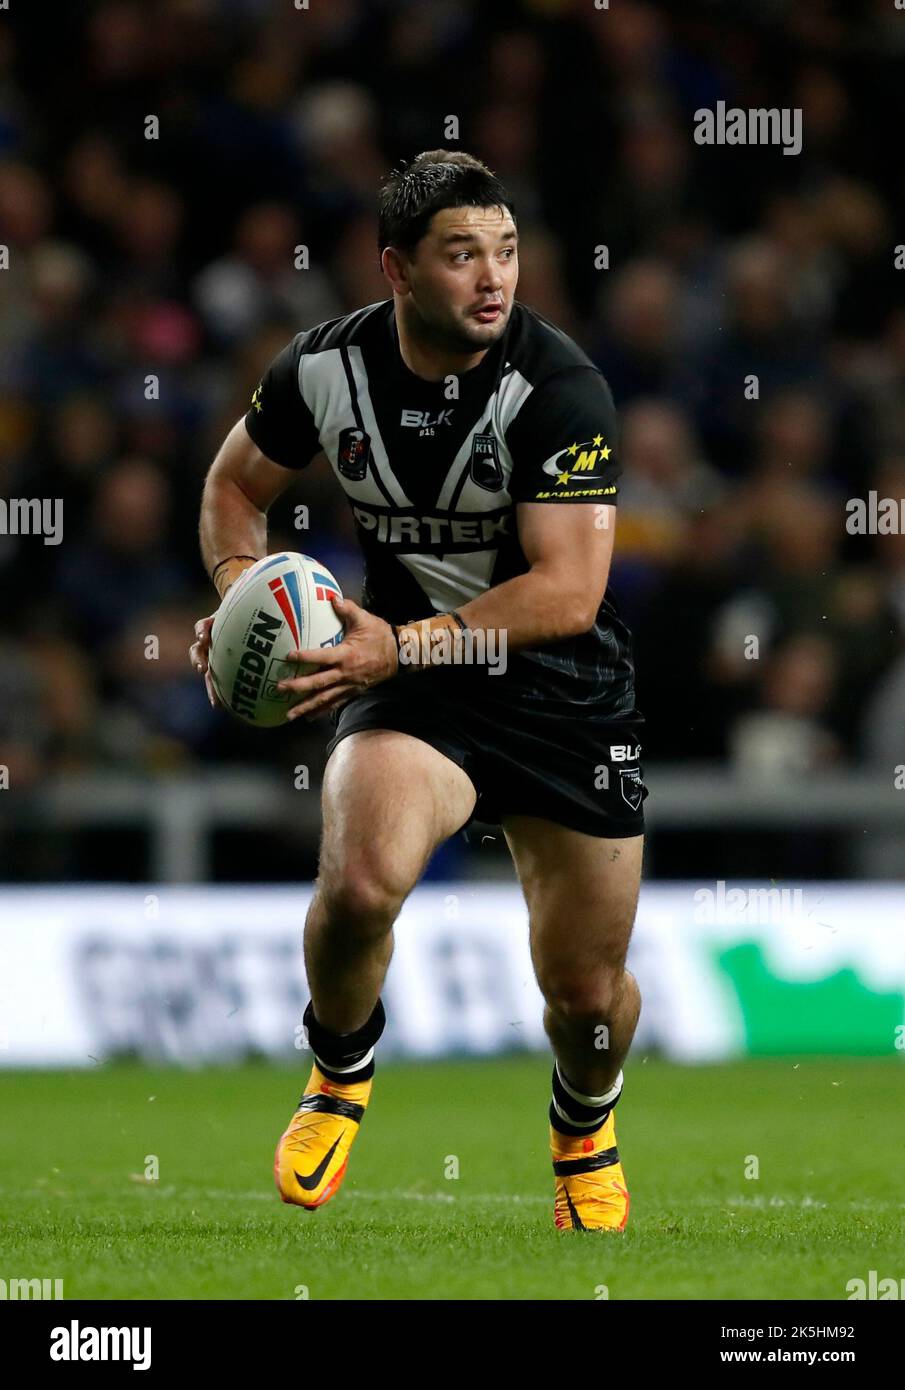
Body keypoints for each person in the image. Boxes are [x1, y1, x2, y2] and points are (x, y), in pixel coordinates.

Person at [190, 150, 647, 1231]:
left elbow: (569, 593)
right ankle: (338, 1070)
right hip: (407, 683)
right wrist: (242, 590)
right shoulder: (319, 370)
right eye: (460, 256)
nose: (492, 278)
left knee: (584, 1001)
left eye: (505, 251)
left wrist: (400, 645)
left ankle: (583, 1120)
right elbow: (230, 488)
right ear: (395, 267)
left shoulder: (561, 389)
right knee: (358, 885)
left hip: (559, 691)